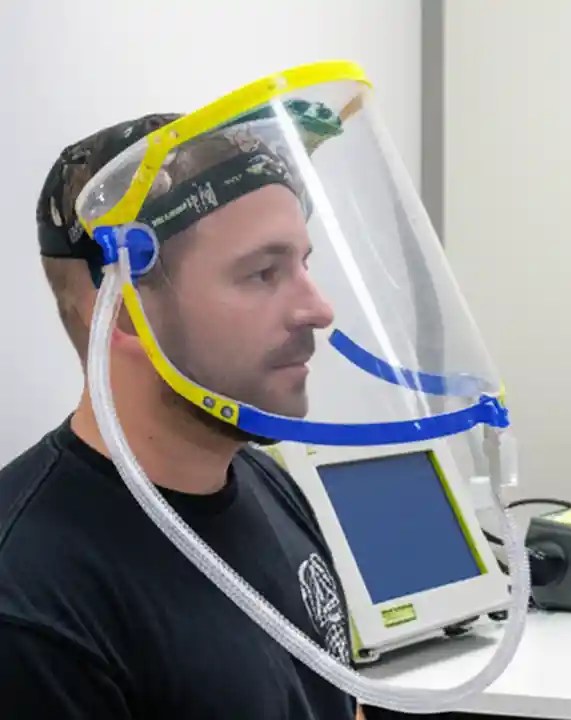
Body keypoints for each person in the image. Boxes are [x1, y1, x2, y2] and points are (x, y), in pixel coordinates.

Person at [0, 113, 365, 719]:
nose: (317, 308)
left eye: (304, 263)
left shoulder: (264, 482)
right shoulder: (31, 602)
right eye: (263, 273)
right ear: (120, 314)